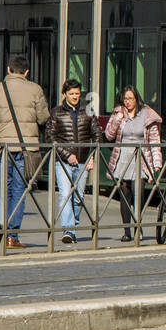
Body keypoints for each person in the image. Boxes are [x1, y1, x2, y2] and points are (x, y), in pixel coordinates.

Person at [0, 54, 50, 250]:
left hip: (2, 148)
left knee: (3, 190)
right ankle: (12, 235)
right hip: (25, 148)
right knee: (19, 192)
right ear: (27, 72)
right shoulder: (35, 89)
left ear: (8, 69)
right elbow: (43, 118)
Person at [105, 86, 163, 243]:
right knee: (124, 193)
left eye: (130, 98)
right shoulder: (119, 112)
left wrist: (156, 164)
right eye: (125, 99)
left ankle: (138, 225)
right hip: (123, 157)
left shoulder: (147, 114)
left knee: (139, 192)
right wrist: (117, 118)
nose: (128, 102)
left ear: (136, 98)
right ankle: (127, 231)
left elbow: (154, 141)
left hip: (141, 158)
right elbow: (109, 136)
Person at [45, 78, 100, 245]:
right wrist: (67, 154)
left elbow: (97, 135)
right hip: (63, 162)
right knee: (65, 194)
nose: (75, 97)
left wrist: (92, 157)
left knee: (78, 197)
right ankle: (68, 229)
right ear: (65, 94)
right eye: (72, 94)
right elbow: (50, 137)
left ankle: (73, 228)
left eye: (77, 93)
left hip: (83, 160)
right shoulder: (56, 112)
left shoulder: (88, 111)